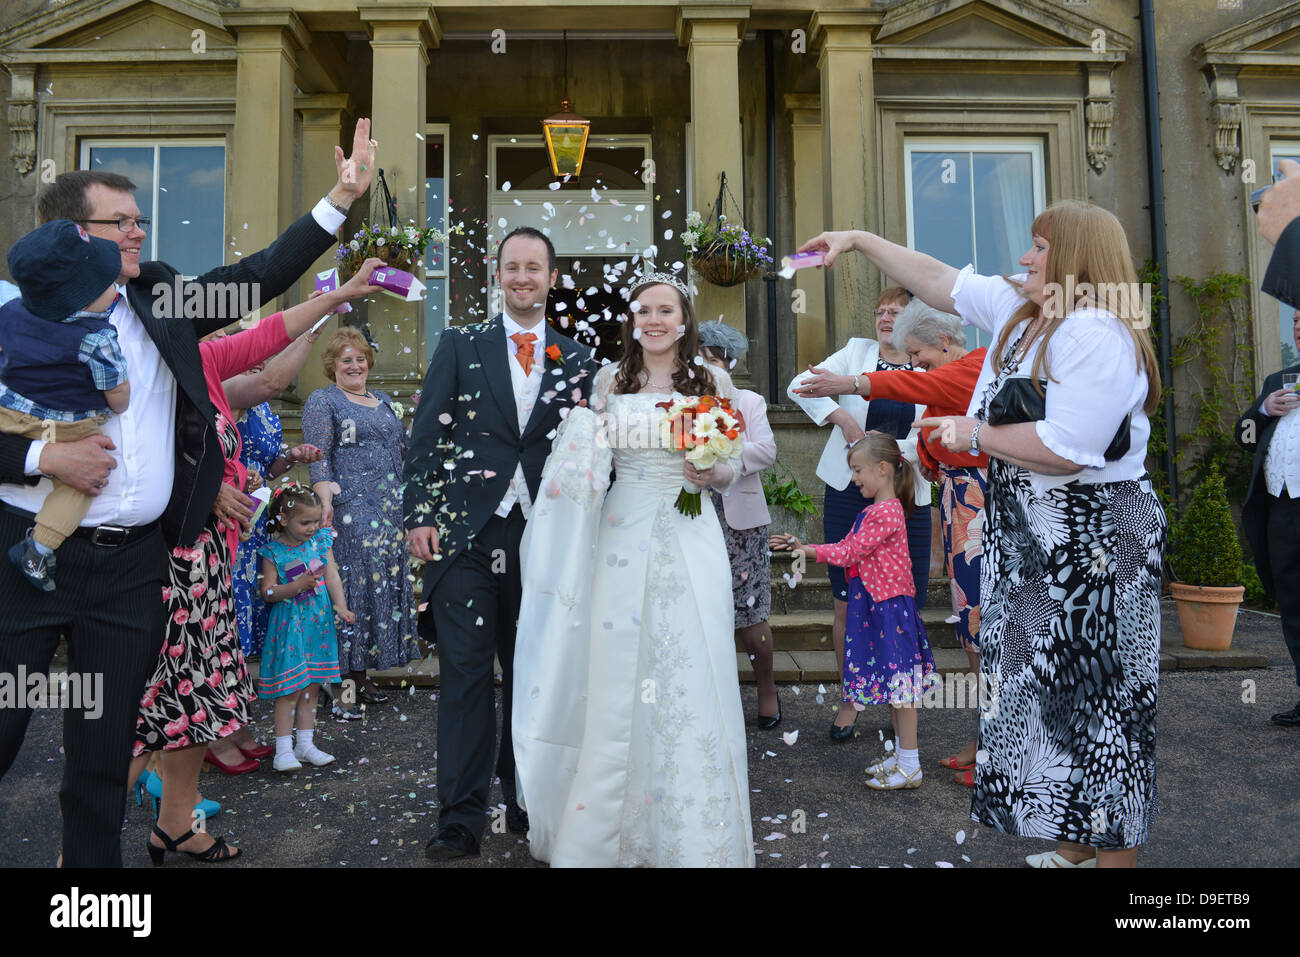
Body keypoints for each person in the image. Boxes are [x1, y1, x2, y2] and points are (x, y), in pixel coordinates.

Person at [0, 120, 377, 867]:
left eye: (141, 220)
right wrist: (47, 457)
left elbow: (261, 274)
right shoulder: (14, 320)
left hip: (133, 568)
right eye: (124, 223)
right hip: (27, 564)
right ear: (73, 237)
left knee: (103, 758)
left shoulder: (161, 299)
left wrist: (340, 200)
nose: (140, 232)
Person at [797, 198, 1165, 867]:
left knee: (1103, 707)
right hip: (1036, 530)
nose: (1024, 257)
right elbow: (940, 278)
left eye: (1039, 247)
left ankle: (1115, 865)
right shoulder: (1023, 317)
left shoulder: (1097, 333)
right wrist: (855, 237)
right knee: (1054, 694)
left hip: (1096, 536)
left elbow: (1070, 445)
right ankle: (1074, 846)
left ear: (1076, 259)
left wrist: (975, 433)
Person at [130, 259, 385, 865]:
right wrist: (200, 479)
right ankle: (81, 852)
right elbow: (127, 456)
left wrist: (335, 298)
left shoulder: (202, 362)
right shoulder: (128, 365)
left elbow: (268, 368)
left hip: (214, 558)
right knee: (142, 703)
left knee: (197, 695)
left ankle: (175, 824)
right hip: (164, 560)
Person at [512, 272, 755, 867]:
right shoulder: (608, 379)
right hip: (619, 529)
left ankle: (690, 834)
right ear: (632, 319)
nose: (653, 319)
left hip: (689, 526)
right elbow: (592, 457)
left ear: (684, 318)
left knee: (689, 662)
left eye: (665, 310)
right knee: (617, 667)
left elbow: (733, 464)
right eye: (643, 309)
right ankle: (607, 832)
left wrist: (711, 473)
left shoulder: (711, 379)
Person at [405, 226, 599, 861]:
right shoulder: (460, 345)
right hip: (465, 534)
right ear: (497, 274)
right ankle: (459, 817)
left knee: (532, 671)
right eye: (512, 267)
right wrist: (419, 515)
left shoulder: (580, 360)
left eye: (534, 268)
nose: (523, 277)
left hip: (543, 535)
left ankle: (525, 799)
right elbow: (428, 433)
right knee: (463, 674)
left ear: (551, 276)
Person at [799, 299, 989, 784]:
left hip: (971, 506)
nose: (916, 364)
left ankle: (993, 750)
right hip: (954, 500)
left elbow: (918, 389)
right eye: (879, 310)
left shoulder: (965, 369)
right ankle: (986, 743)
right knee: (971, 620)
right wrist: (846, 417)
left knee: (980, 621)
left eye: (921, 355)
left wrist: (852, 386)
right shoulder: (871, 354)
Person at [788, 286, 932, 741]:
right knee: (846, 602)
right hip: (850, 489)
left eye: (896, 312)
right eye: (880, 311)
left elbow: (941, 426)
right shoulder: (857, 353)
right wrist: (845, 421)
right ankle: (851, 699)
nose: (886, 318)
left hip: (908, 492)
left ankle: (900, 710)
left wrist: (891, 453)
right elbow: (799, 385)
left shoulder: (928, 362)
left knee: (905, 604)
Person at [772, 433, 936, 789]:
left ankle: (911, 765)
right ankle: (903, 757)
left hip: (890, 611)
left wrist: (807, 550)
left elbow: (848, 552)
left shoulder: (884, 513)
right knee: (897, 689)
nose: (854, 478)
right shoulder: (880, 510)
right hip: (882, 608)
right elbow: (849, 548)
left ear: (883, 469)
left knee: (901, 689)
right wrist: (806, 547)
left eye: (858, 470)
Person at [0, 220, 130, 591]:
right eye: (107, 283)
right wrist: (121, 395)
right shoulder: (96, 338)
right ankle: (39, 546)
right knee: (84, 481)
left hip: (8, 411)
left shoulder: (9, 310)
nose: (114, 286)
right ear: (82, 298)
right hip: (68, 426)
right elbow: (118, 398)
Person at [303, 327, 419, 719]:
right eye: (346, 359)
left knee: (375, 588)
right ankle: (338, 685)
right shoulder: (324, 400)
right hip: (350, 508)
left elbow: (403, 449)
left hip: (388, 509)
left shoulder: (383, 400)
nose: (355, 365)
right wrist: (323, 497)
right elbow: (318, 454)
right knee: (351, 590)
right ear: (332, 366)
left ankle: (361, 674)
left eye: (360, 358)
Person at [1240, 157, 1300, 727]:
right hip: (1281, 505)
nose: (1298, 328)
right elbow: (1244, 435)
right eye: (1296, 323)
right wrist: (1264, 408)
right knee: (1291, 600)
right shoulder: (1278, 381)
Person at [697, 320, 780, 728]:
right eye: (698, 358)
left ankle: (766, 687)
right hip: (692, 513)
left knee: (751, 616)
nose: (706, 366)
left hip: (741, 520)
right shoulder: (682, 401)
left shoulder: (749, 401)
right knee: (701, 611)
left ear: (729, 363)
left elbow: (766, 451)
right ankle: (712, 697)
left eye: (713, 359)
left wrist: (725, 450)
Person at [258, 483, 354, 771]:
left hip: (318, 622)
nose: (313, 527)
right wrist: (294, 587)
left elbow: (332, 576)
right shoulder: (273, 551)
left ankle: (305, 744)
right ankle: (283, 749)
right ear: (285, 520)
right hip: (289, 626)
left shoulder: (321, 542)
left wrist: (342, 606)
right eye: (305, 522)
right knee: (289, 689)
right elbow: (267, 593)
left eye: (315, 521)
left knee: (313, 684)